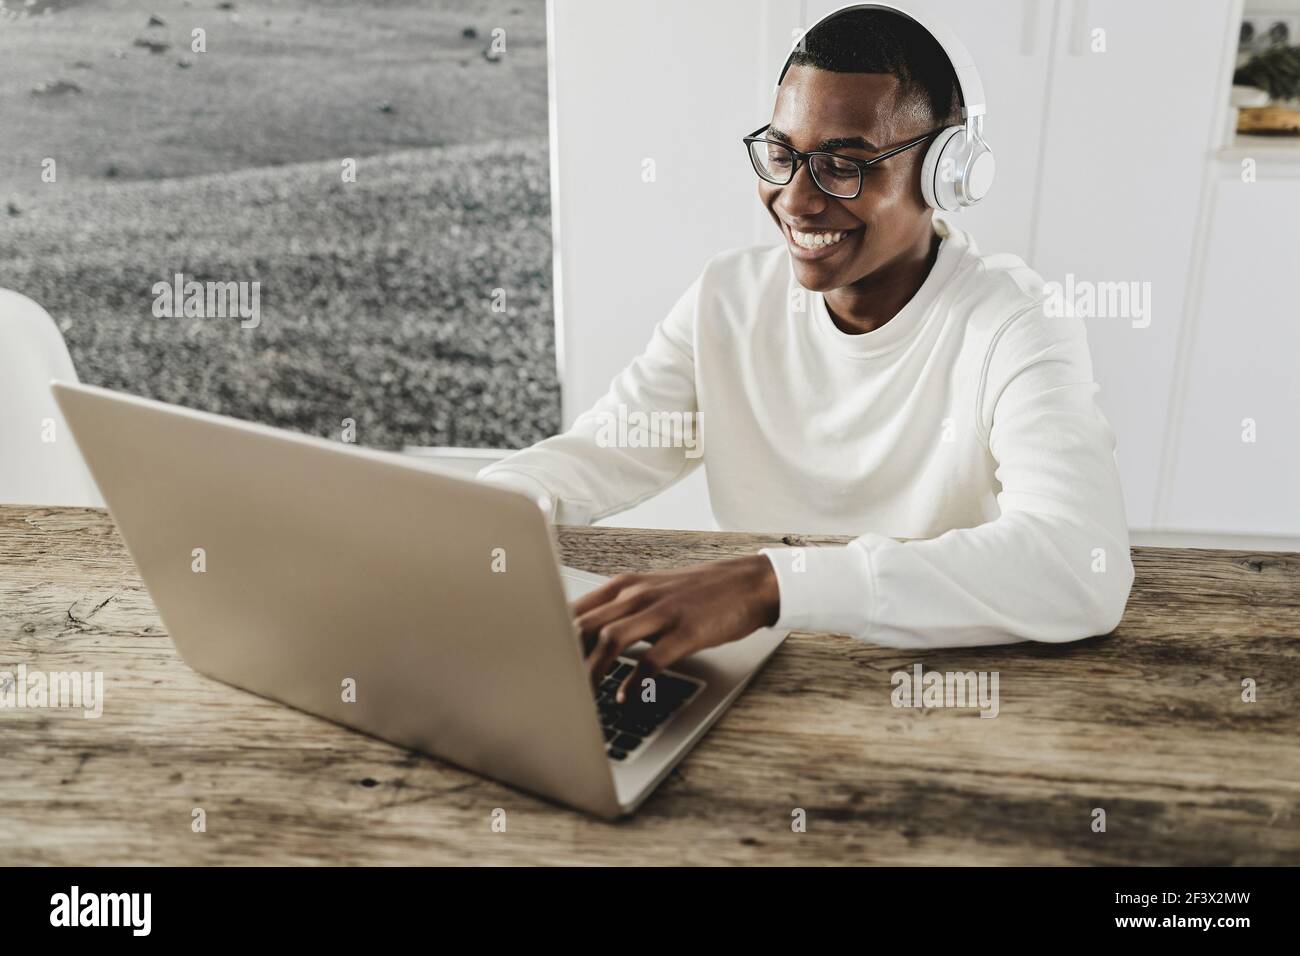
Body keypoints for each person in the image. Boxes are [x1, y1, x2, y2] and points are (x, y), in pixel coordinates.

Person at [478, 6, 1134, 703]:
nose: (795, 198)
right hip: (752, 674)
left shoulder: (1016, 325)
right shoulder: (728, 298)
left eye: (843, 165)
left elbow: (1080, 565)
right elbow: (604, 449)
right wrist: (480, 512)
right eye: (783, 154)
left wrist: (769, 585)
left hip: (937, 688)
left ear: (949, 173)